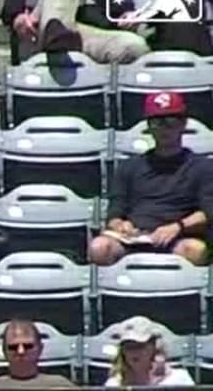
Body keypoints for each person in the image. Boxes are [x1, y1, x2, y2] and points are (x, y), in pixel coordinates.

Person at [89, 91, 213, 267]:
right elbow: (115, 212)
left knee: (195, 250)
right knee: (100, 247)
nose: (164, 129)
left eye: (171, 122)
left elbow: (208, 212)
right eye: (157, 122)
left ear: (183, 124)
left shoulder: (204, 167)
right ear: (149, 127)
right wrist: (121, 225)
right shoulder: (129, 167)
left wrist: (177, 227)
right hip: (135, 237)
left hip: (178, 236)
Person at [0, 0, 149, 65]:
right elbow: (10, 10)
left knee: (134, 45)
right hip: (37, 33)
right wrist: (19, 19)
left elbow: (122, 9)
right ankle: (57, 35)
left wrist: (128, 17)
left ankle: (64, 42)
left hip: (84, 37)